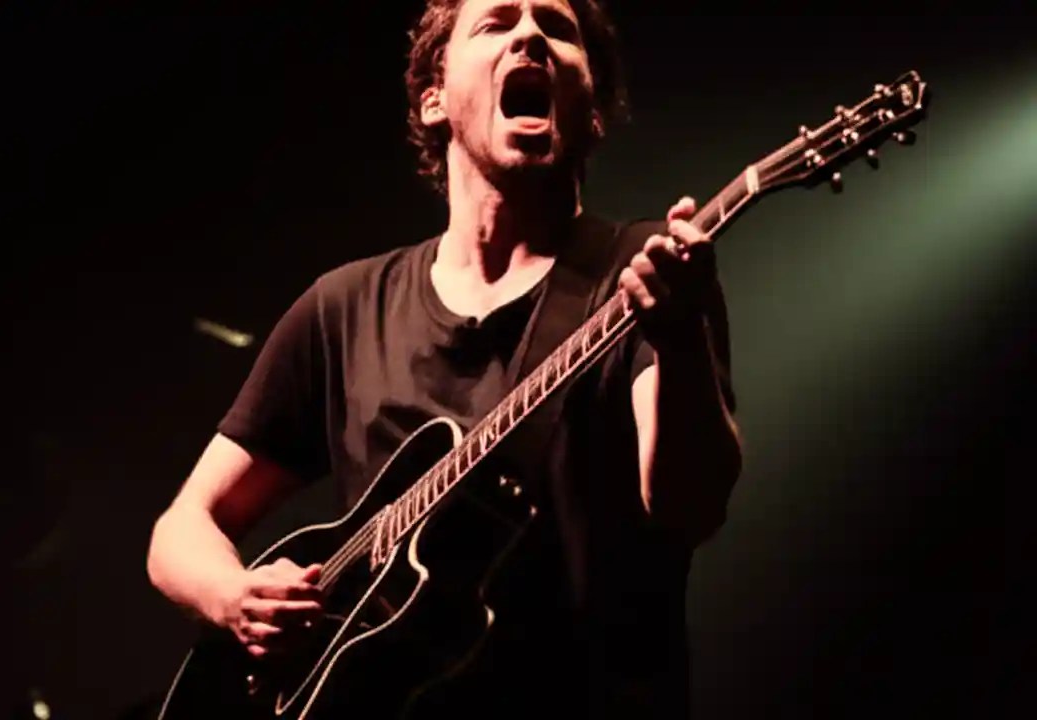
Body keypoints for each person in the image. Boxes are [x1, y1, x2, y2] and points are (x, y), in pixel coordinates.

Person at [146, 0, 742, 717]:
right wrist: (235, 597)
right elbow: (180, 531)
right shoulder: (345, 307)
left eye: (557, 27)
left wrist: (679, 342)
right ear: (435, 100)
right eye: (498, 22)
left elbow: (689, 509)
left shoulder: (644, 274)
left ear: (593, 112)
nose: (530, 35)